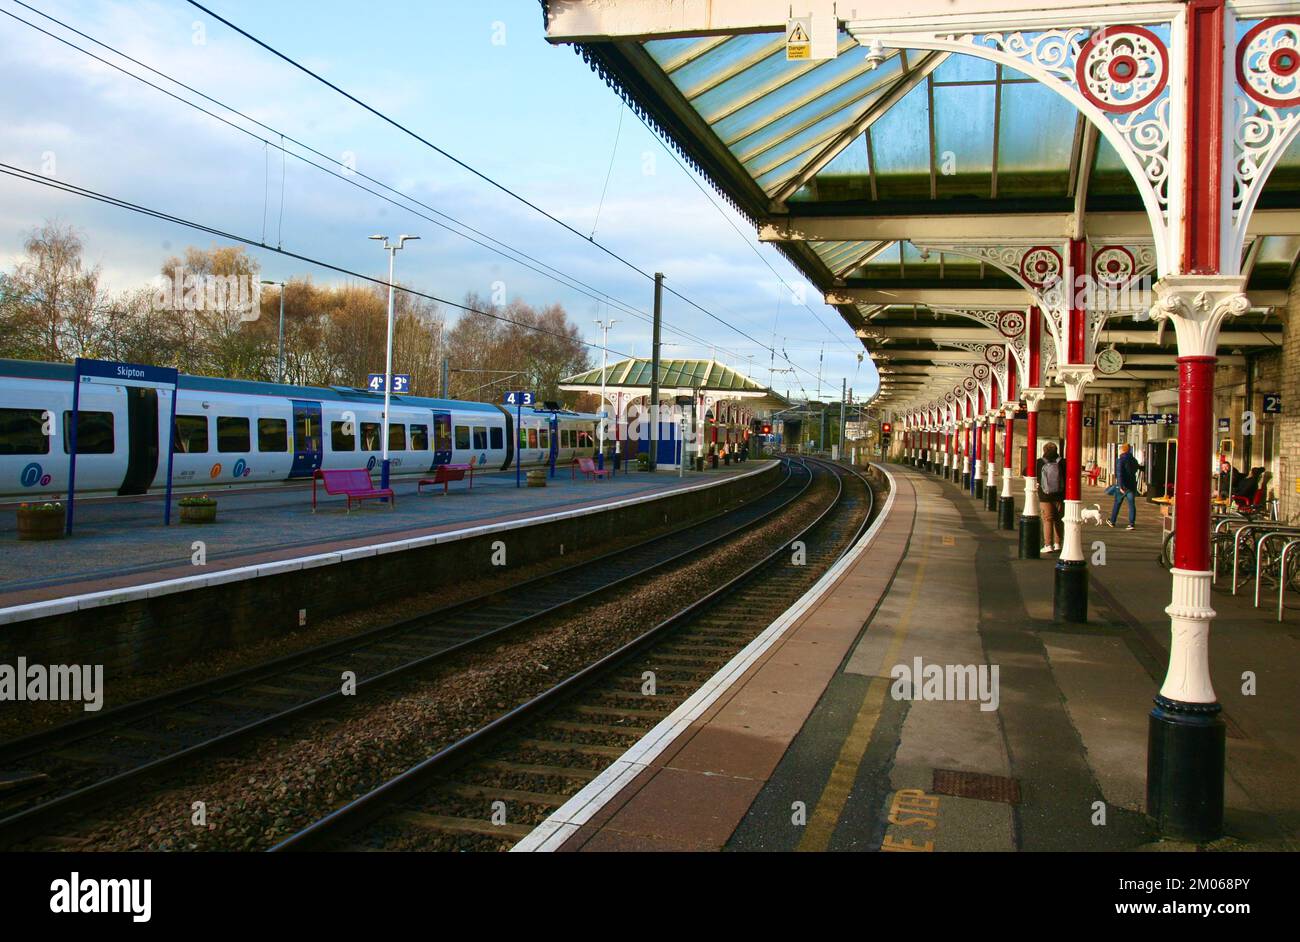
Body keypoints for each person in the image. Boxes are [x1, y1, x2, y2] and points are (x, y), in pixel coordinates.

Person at [1036, 442, 1066, 553]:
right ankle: (1058, 544)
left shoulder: (1039, 462)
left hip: (1045, 496)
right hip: (1060, 495)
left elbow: (1026, 472)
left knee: (1047, 520)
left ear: (1044, 450)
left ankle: (1048, 545)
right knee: (1059, 520)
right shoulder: (1062, 462)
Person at [1107, 443, 1139, 529]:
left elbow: (1119, 473)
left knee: (1117, 503)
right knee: (1131, 504)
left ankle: (1112, 521)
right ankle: (1131, 524)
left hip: (1123, 486)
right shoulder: (1133, 459)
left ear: (1122, 450)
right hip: (1131, 485)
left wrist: (1120, 486)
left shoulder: (1120, 460)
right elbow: (1136, 468)